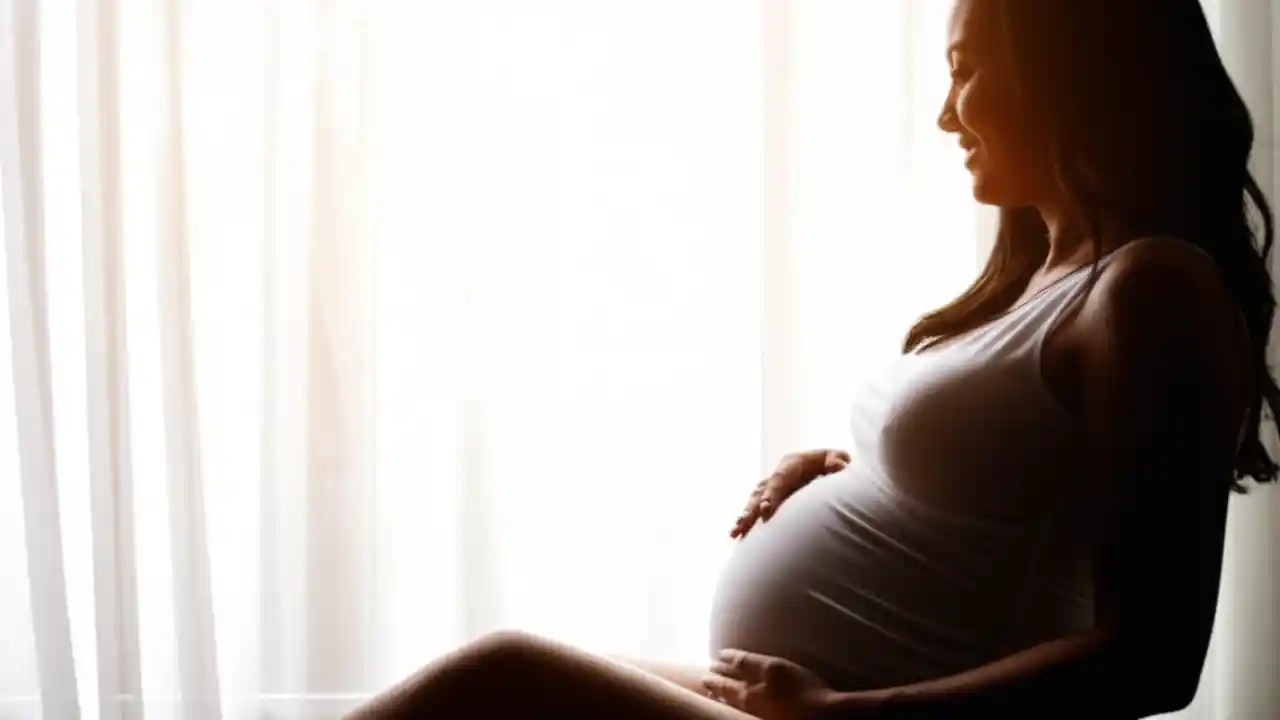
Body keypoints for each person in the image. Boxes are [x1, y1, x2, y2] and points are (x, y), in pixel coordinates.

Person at [346, 0, 1279, 717]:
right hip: (811, 699)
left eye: (967, 72)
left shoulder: (1152, 290)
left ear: (1071, 70)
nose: (949, 115)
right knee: (500, 677)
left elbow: (1153, 659)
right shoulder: (1049, 277)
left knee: (497, 682)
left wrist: (846, 716)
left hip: (862, 717)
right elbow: (1017, 496)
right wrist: (859, 472)